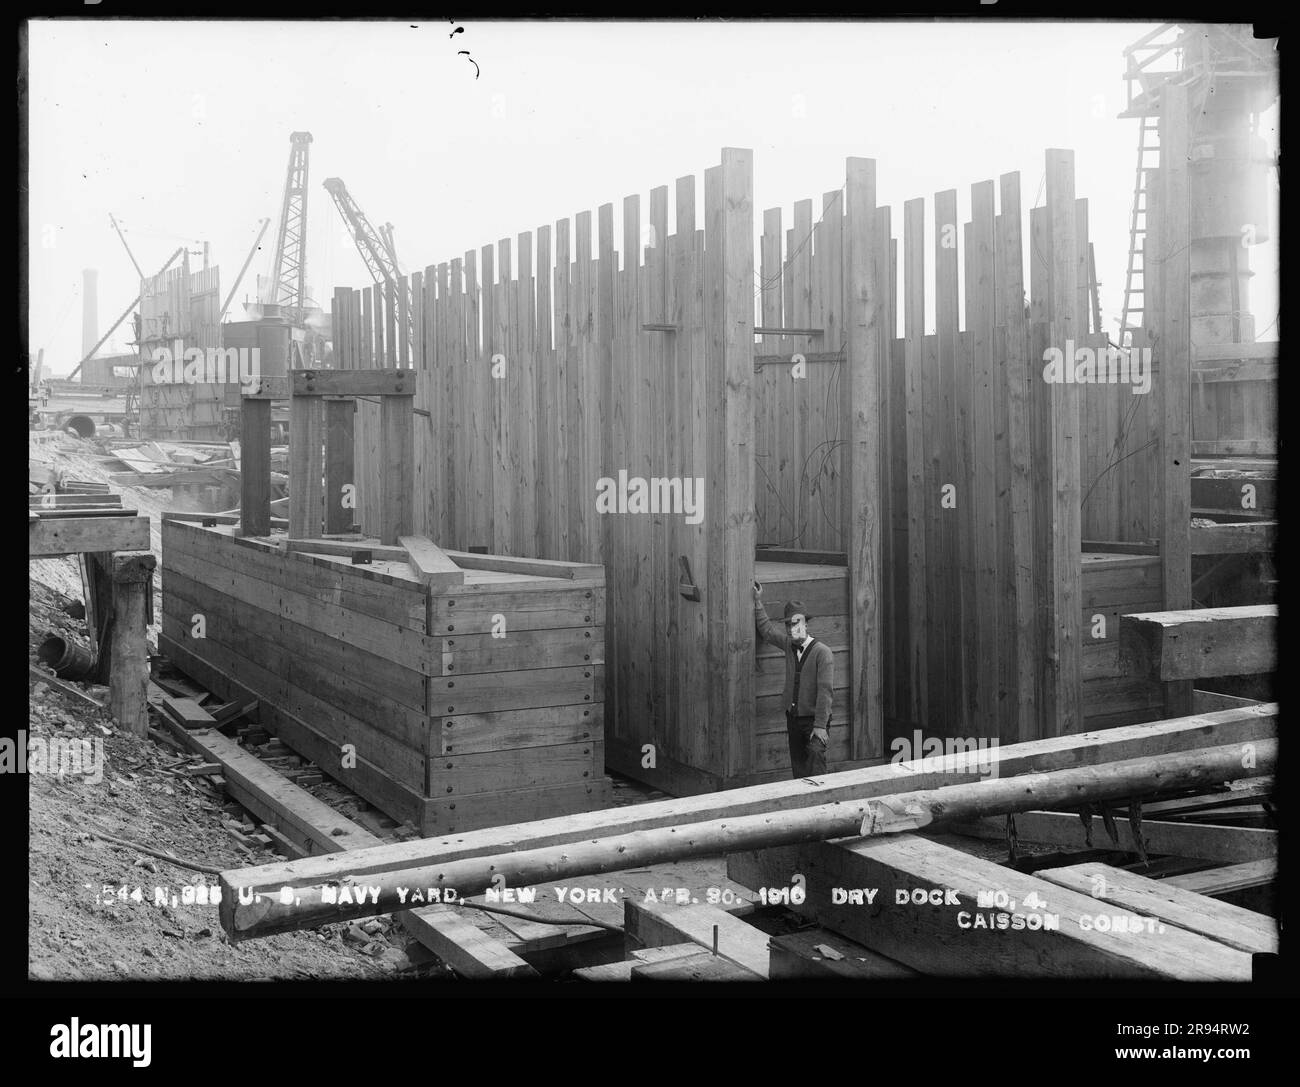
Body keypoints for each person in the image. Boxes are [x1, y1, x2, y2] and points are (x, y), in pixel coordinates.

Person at [753, 582, 834, 778]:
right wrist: (757, 601)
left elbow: (825, 692)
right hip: (794, 719)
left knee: (815, 758)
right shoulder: (789, 645)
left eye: (797, 623)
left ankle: (822, 803)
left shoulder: (822, 653)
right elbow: (768, 631)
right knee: (798, 767)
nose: (792, 628)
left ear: (806, 624)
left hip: (814, 720)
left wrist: (820, 726)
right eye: (789, 624)